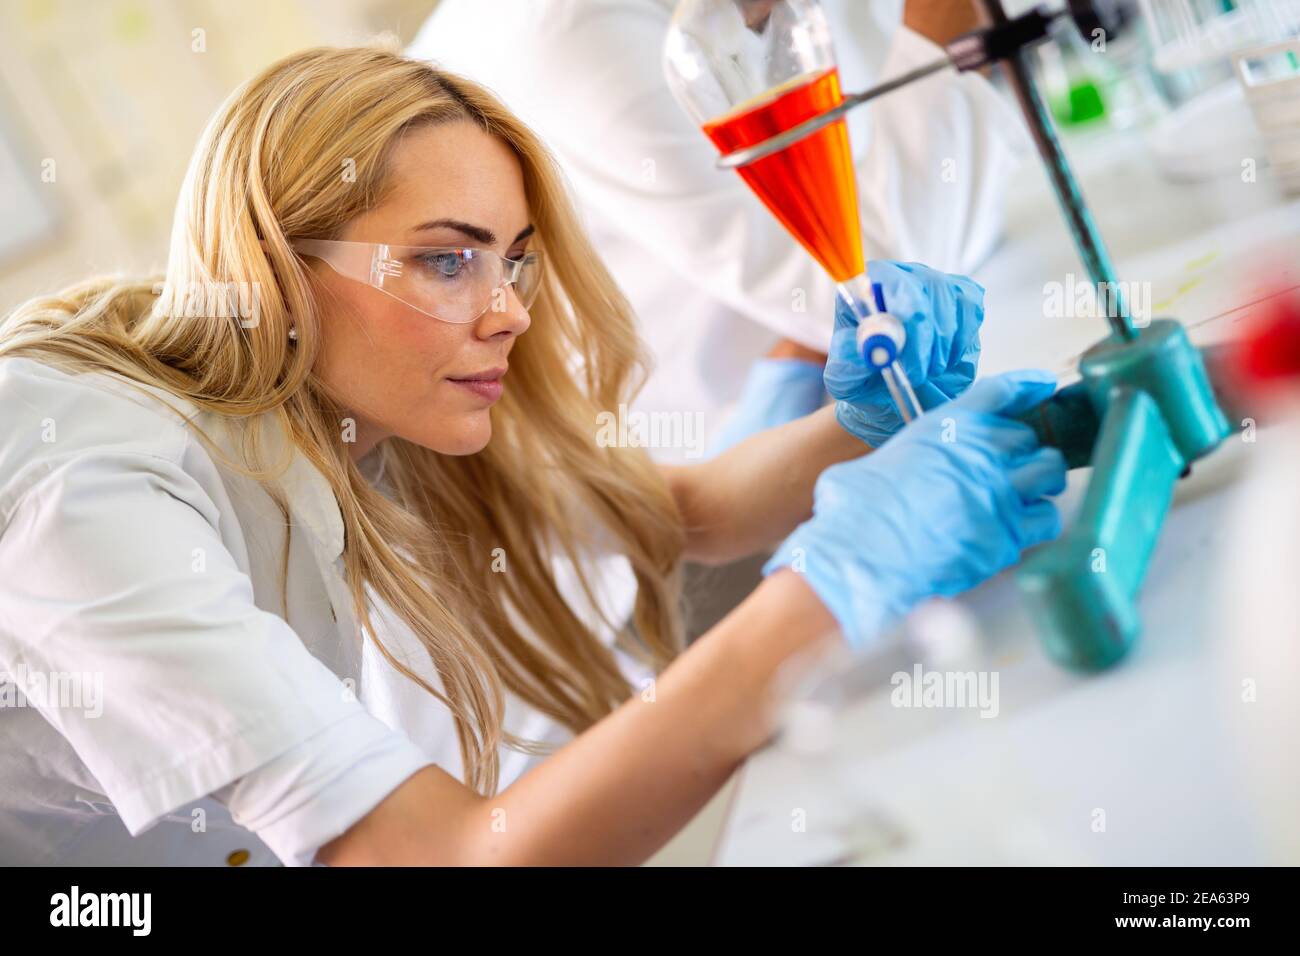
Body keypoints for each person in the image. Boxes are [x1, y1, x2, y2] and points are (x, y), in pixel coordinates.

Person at [0, 47, 1064, 865]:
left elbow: (672, 508)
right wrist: (824, 598)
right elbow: (439, 853)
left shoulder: (317, 375)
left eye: (512, 261)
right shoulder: (90, 485)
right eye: (446, 259)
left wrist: (862, 428)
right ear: (278, 260)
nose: (508, 310)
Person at [408, 0, 1031, 457]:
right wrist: (940, 26)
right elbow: (875, 290)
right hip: (723, 482)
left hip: (867, 387)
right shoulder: (569, 33)